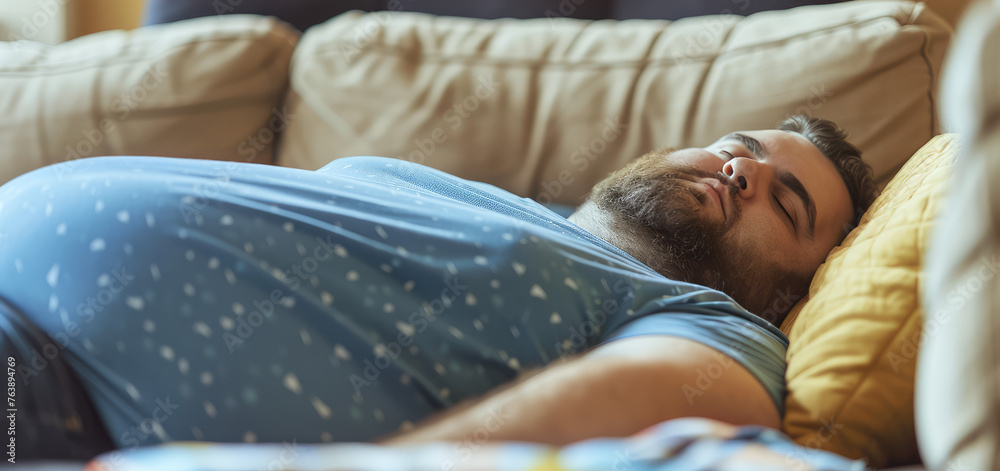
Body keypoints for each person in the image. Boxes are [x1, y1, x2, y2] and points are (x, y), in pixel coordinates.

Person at [0, 114, 877, 460]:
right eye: (742, 146)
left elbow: (662, 407)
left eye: (786, 200)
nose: (740, 170)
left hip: (61, 387)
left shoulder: (715, 322)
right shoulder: (506, 204)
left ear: (787, 297)